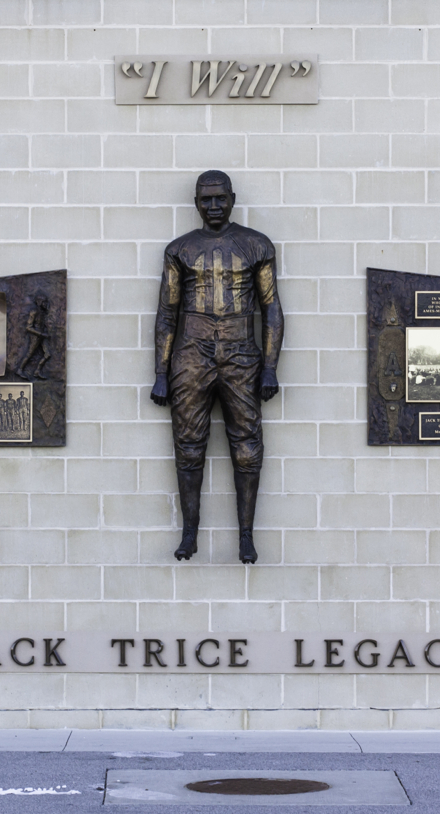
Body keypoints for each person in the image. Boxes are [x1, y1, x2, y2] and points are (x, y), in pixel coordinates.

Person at [151, 170, 284, 565]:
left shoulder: (256, 244)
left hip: (242, 352)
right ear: (195, 202)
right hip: (191, 353)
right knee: (188, 445)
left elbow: (271, 307)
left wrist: (270, 366)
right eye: (205, 199)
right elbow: (166, 313)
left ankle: (246, 535)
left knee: (247, 447)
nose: (213, 206)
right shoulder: (180, 249)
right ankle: (189, 533)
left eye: (219, 198)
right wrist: (160, 372)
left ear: (232, 198)